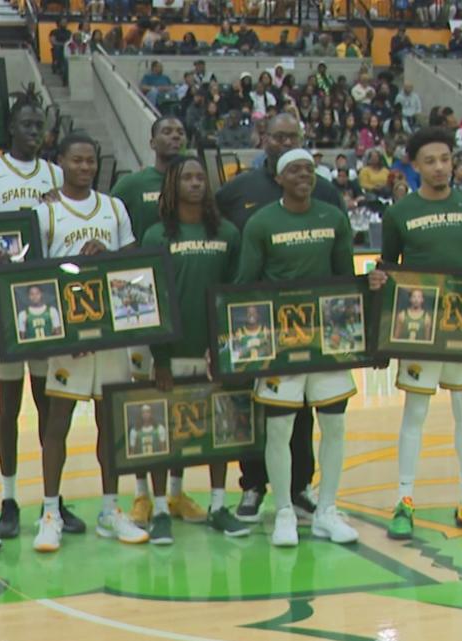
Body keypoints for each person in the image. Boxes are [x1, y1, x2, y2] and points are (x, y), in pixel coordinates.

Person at [369, 127, 462, 540]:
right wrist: (377, 281)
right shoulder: (399, 213)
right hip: (419, 329)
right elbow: (387, 267)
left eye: (445, 158)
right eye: (430, 160)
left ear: (454, 161)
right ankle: (405, 501)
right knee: (415, 415)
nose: (440, 167)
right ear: (414, 165)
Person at [215, 113, 345, 524]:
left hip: (314, 329)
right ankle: (253, 485)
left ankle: (299, 489)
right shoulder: (238, 190)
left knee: (305, 412)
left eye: (294, 136)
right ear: (263, 138)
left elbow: (341, 264)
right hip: (260, 323)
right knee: (256, 410)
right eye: (278, 136)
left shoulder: (325, 193)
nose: (285, 141)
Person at [30, 131, 148, 553]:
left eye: (90, 161)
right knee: (57, 421)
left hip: (111, 329)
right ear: (60, 161)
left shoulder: (114, 207)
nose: (85, 167)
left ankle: (110, 509)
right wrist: (75, 261)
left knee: (110, 421)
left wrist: (108, 255)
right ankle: (50, 512)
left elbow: (134, 262)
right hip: (69, 331)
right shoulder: (44, 211)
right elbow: (35, 272)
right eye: (77, 160)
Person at [236, 149, 357, 547]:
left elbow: (345, 279)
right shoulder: (262, 222)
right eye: (294, 170)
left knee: (335, 425)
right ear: (279, 177)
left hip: (327, 340)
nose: (303, 175)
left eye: (308, 169)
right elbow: (246, 284)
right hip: (279, 343)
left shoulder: (333, 217)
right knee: (279, 428)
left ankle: (326, 510)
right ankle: (284, 511)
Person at [0, 87, 64, 539]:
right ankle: (8, 499)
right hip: (0, 304)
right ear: (9, 129)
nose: (34, 131)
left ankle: (51, 503)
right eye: (26, 124)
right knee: (9, 406)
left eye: (39, 125)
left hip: (44, 301)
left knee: (48, 404)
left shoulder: (56, 174)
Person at [140, 155, 249, 543]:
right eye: (187, 177)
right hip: (171, 354)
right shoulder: (156, 237)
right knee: (163, 435)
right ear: (172, 185)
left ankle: (218, 505)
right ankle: (159, 510)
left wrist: (223, 349)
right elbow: (149, 301)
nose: (195, 183)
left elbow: (234, 295)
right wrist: (161, 358)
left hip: (211, 354)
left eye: (200, 177)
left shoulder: (229, 234)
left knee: (219, 431)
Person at [111, 116, 203, 526]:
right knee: (144, 401)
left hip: (183, 306)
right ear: (151, 140)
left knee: (183, 404)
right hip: (139, 307)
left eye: (180, 132)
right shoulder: (131, 186)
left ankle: (177, 493)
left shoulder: (197, 181)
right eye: (167, 131)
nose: (175, 136)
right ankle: (142, 494)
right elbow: (113, 228)